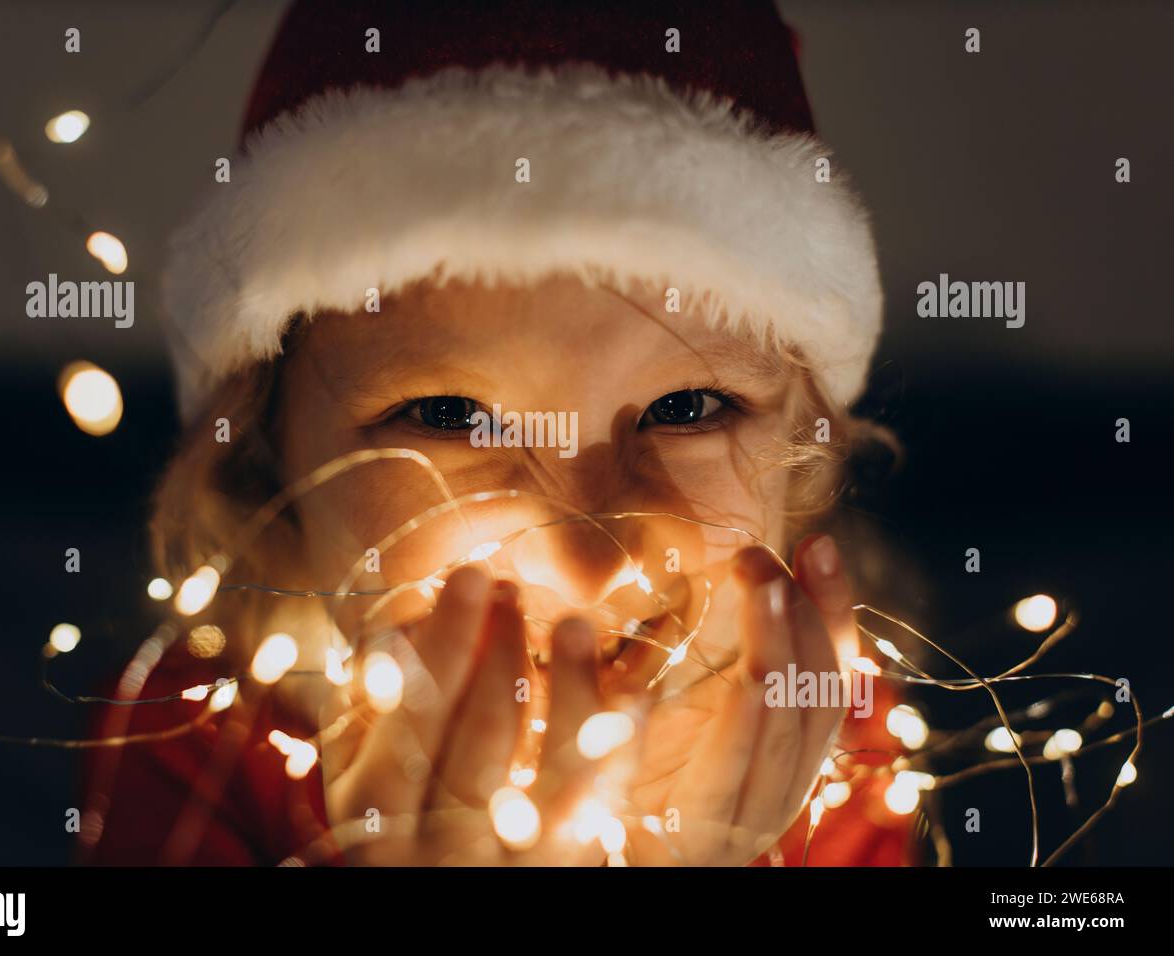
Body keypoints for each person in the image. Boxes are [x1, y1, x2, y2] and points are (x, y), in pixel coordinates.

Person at [80, 0, 912, 867]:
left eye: (688, 409)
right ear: (265, 457)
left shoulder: (833, 741)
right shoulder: (189, 741)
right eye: (451, 417)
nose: (590, 564)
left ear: (805, 452)